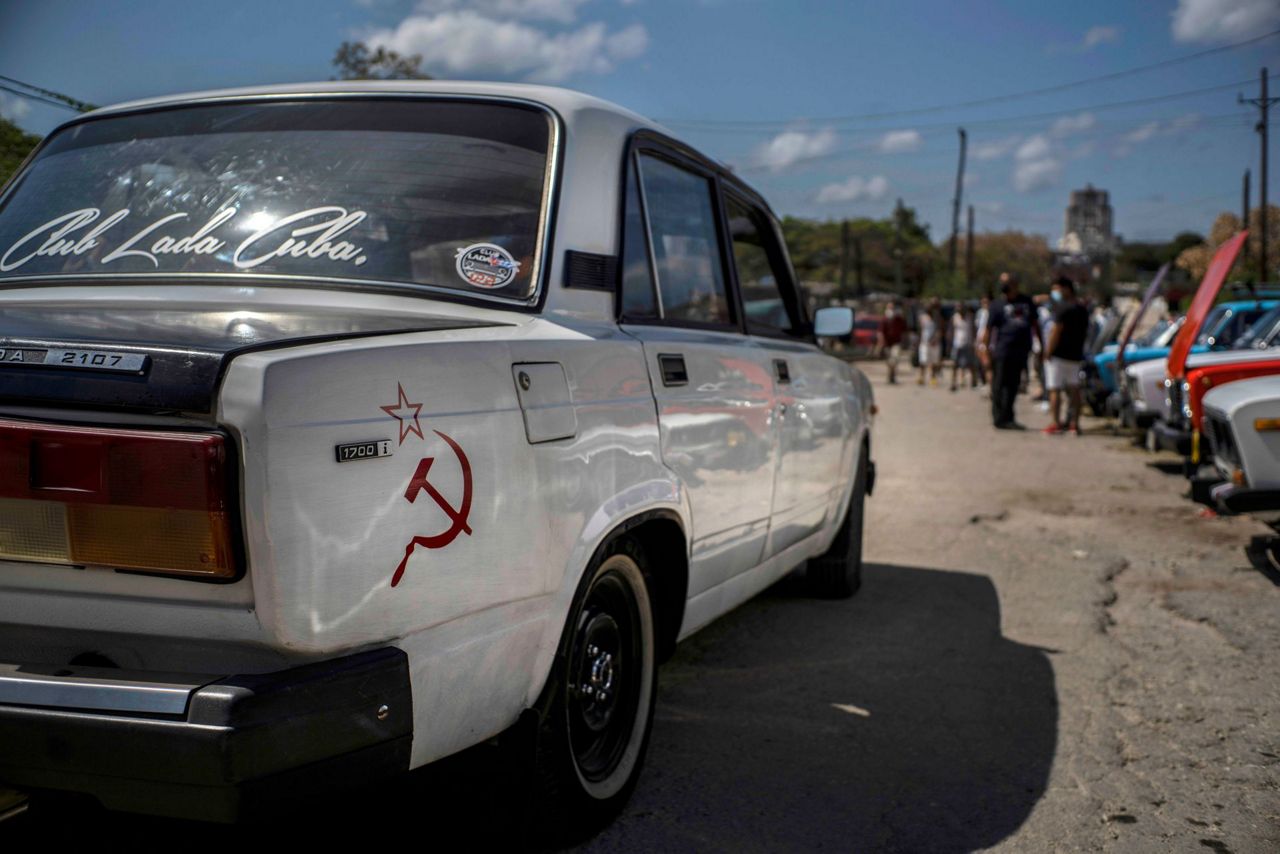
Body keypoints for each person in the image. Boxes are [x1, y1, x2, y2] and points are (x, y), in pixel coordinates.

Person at [980, 273, 1042, 429]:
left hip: (1021, 350)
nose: (1005, 285)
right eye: (1002, 282)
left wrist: (1042, 346)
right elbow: (988, 330)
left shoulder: (1026, 302)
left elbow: (1036, 325)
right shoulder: (997, 305)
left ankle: (1009, 417)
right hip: (1002, 351)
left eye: (1007, 282)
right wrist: (985, 351)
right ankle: (999, 418)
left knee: (1013, 385)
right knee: (999, 385)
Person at [1043, 276, 1089, 435]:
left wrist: (1048, 351)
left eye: (1058, 288)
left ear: (1067, 289)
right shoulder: (1082, 309)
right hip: (1075, 356)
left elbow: (1056, 332)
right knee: (1074, 389)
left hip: (1059, 355)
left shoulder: (1063, 309)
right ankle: (1074, 424)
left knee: (1054, 389)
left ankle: (1055, 422)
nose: (1056, 292)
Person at [876, 301, 908, 384]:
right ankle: (891, 376)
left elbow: (904, 331)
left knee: (894, 359)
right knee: (889, 362)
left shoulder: (899, 319)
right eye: (890, 308)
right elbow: (880, 332)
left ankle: (892, 376)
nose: (891, 309)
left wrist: (905, 342)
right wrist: (880, 344)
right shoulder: (884, 319)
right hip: (886, 344)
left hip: (896, 343)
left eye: (893, 308)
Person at [917, 298, 943, 386]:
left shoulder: (937, 317)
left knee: (934, 362)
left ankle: (933, 378)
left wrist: (935, 339)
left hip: (934, 343)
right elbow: (921, 330)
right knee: (923, 361)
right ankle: (921, 377)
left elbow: (939, 330)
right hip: (924, 342)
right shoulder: (923, 317)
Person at [950, 305, 976, 392]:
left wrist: (974, 342)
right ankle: (953, 382)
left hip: (968, 344)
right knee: (955, 364)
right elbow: (951, 330)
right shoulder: (955, 318)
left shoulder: (970, 317)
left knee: (970, 364)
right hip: (957, 344)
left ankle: (973, 382)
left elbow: (973, 330)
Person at [973, 296, 990, 387]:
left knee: (986, 363)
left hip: (987, 340)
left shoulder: (991, 312)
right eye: (983, 302)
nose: (985, 304)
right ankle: (983, 381)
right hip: (980, 340)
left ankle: (988, 383)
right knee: (980, 362)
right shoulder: (980, 313)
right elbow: (978, 328)